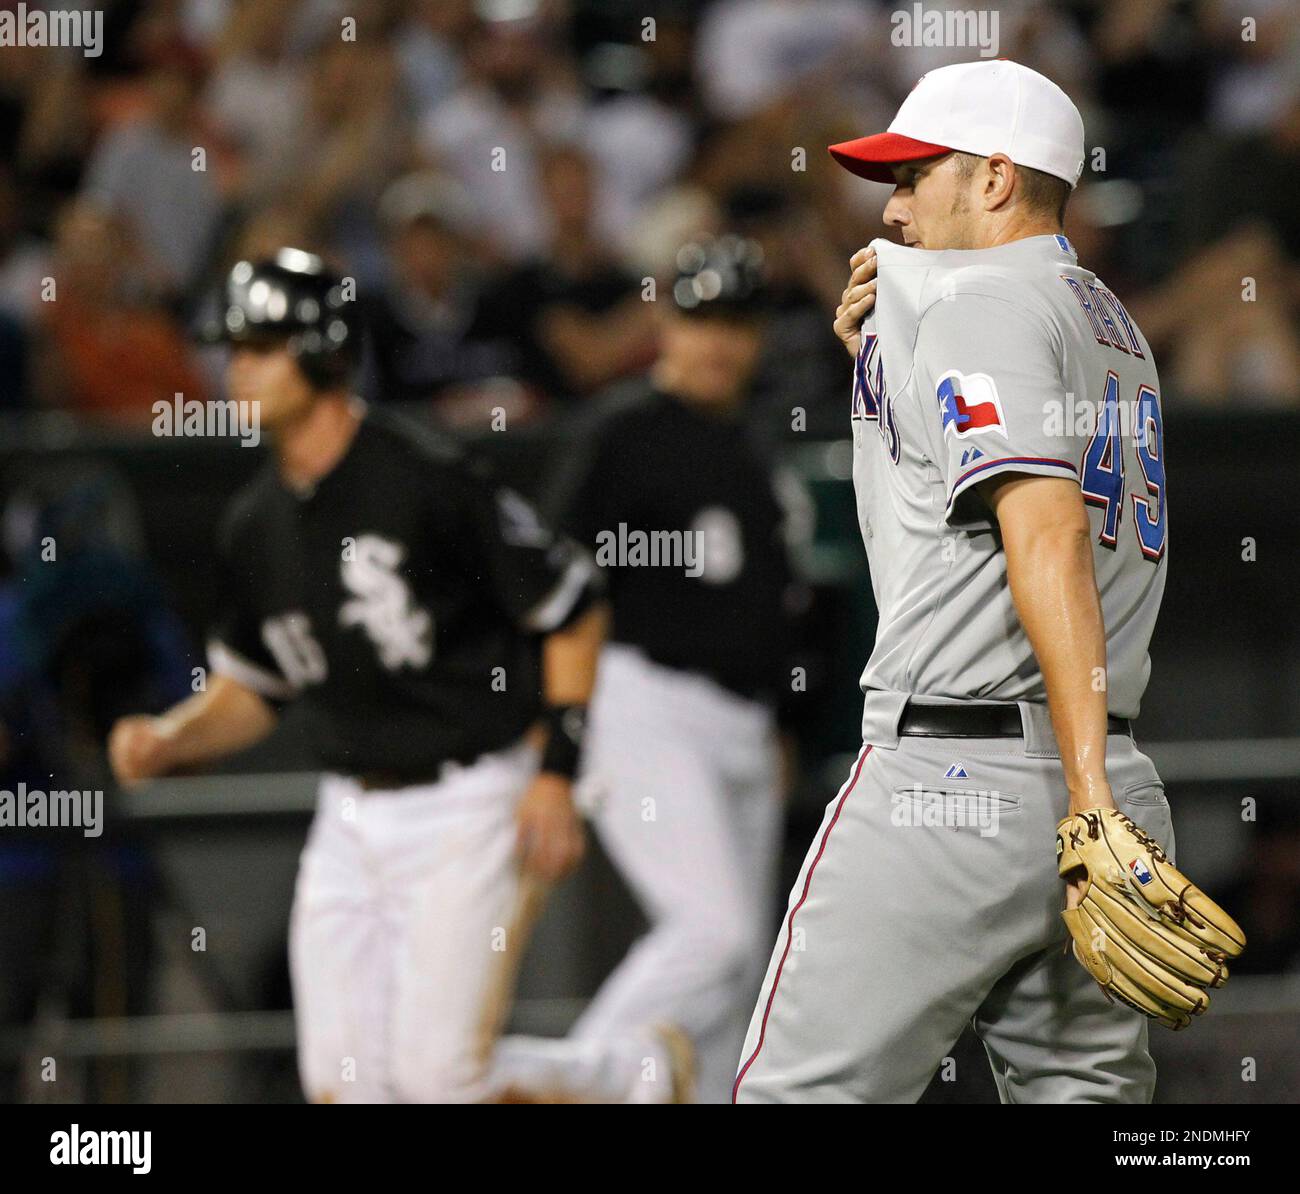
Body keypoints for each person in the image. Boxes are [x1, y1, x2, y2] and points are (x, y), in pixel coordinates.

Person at [734, 59, 1234, 1104]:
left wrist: (1081, 793)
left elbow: (1043, 532)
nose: (895, 202)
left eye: (918, 173)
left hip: (952, 779)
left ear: (996, 179)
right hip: (1107, 776)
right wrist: (883, 369)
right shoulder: (1108, 320)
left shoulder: (974, 303)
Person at [106, 248, 607, 1103]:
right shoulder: (255, 521)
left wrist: (557, 772)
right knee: (341, 1084)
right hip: (348, 812)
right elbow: (260, 686)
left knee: (438, 1081)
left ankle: (625, 1080)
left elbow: (567, 606)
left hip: (469, 795)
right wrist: (174, 736)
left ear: (323, 352)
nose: (239, 368)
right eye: (236, 347)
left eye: (261, 345)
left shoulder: (424, 477)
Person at [490, 236, 800, 1103]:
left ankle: (602, 1084)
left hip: (741, 722)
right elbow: (549, 589)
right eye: (702, 318)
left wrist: (776, 719)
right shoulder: (621, 434)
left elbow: (772, 605)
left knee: (739, 992)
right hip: (640, 699)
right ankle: (569, 1077)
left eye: (737, 322)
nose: (719, 342)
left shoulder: (752, 446)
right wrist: (548, 727)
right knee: (716, 936)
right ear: (664, 320)